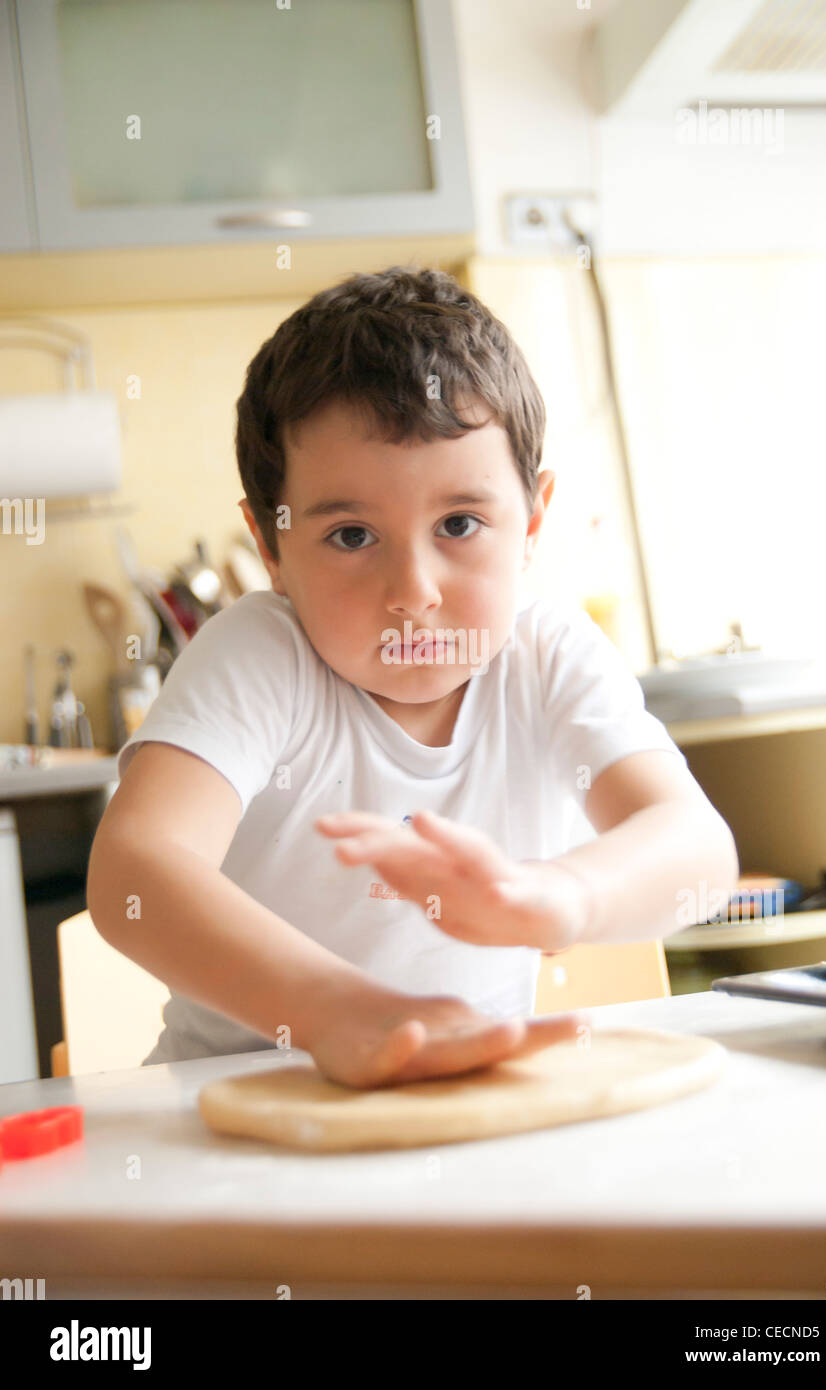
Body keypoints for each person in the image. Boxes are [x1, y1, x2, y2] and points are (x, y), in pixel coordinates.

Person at [86, 266, 738, 1088]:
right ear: (271, 547)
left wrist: (559, 896)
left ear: (531, 522)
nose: (414, 593)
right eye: (353, 536)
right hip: (235, 1116)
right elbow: (133, 874)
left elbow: (701, 854)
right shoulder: (257, 656)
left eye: (460, 524)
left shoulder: (549, 655)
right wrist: (339, 1013)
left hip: (462, 1101)